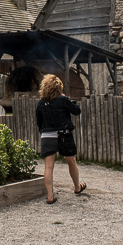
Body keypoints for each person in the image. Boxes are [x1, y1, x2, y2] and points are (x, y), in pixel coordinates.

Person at [36, 74, 86, 204]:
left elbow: (39, 122)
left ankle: (50, 196)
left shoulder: (41, 103)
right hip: (64, 135)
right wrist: (67, 99)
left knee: (48, 166)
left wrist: (45, 131)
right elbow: (77, 111)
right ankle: (77, 187)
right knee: (71, 161)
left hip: (47, 135)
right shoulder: (63, 100)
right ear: (59, 88)